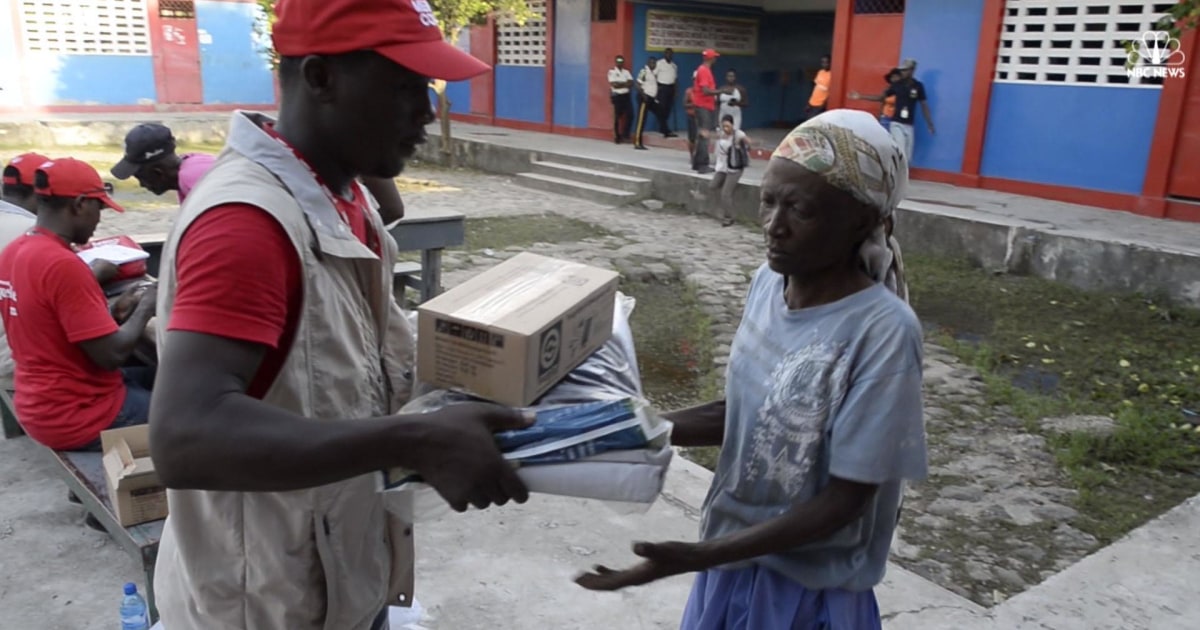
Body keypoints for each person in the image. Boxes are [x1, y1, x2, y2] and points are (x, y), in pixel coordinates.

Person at [145, 0, 534, 628]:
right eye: (406, 87)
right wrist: (414, 439)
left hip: (338, 572)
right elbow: (186, 438)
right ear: (321, 78)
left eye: (428, 88)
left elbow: (346, 379)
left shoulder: (346, 199)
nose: (427, 112)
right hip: (265, 602)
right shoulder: (246, 226)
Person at [575, 109, 926, 630]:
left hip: (807, 590)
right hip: (732, 563)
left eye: (799, 209)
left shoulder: (883, 331)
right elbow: (744, 412)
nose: (773, 226)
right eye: (768, 200)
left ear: (860, 220)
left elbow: (846, 499)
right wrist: (619, 430)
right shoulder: (769, 282)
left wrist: (701, 555)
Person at [0, 157, 158, 453]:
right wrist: (147, 305)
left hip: (40, 401)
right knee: (193, 415)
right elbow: (111, 356)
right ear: (80, 204)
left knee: (163, 379)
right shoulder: (62, 265)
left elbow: (57, 333)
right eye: (99, 209)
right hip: (79, 414)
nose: (99, 220)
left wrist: (116, 312)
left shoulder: (15, 251)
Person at [849, 59, 934, 162]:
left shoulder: (918, 86)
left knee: (908, 157)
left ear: (912, 70)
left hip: (909, 125)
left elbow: (923, 105)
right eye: (901, 70)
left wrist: (929, 123)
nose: (902, 72)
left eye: (905, 70)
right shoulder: (897, 85)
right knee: (900, 151)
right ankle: (895, 175)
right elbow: (881, 98)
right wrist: (860, 96)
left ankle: (901, 175)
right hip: (897, 123)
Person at [110, 123, 216, 204]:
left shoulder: (191, 178)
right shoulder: (195, 163)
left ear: (158, 172)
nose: (141, 184)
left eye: (140, 177)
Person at [709, 115, 750, 227]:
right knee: (713, 186)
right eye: (724, 126)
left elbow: (748, 142)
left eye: (728, 126)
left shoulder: (738, 134)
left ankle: (729, 217)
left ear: (732, 125)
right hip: (722, 167)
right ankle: (721, 208)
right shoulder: (721, 135)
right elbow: (713, 137)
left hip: (734, 167)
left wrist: (741, 147)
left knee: (726, 193)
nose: (726, 128)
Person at [691, 49, 722, 174]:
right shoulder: (704, 70)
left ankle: (697, 162)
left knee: (701, 134)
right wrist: (721, 91)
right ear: (710, 59)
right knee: (705, 135)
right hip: (703, 106)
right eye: (714, 57)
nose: (716, 60)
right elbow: (705, 90)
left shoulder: (704, 69)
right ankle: (703, 164)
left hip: (704, 105)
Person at [633, 57, 659, 151]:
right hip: (644, 98)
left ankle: (639, 142)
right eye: (651, 62)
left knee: (645, 119)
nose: (653, 64)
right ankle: (637, 143)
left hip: (650, 99)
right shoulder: (644, 71)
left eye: (654, 63)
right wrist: (644, 95)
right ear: (648, 63)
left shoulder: (653, 73)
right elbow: (637, 84)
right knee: (641, 121)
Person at [608, 55, 635, 144]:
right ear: (615, 62)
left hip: (626, 96)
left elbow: (631, 83)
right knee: (616, 117)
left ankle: (625, 134)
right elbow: (614, 85)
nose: (620, 62)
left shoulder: (626, 72)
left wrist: (620, 84)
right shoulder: (611, 72)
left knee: (630, 115)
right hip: (617, 96)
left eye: (621, 61)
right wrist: (624, 84)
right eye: (618, 61)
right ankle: (617, 136)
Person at [654, 47, 679, 137]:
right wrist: (656, 89)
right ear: (664, 54)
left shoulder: (674, 66)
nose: (669, 55)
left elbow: (675, 79)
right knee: (662, 109)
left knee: (668, 109)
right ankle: (665, 130)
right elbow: (654, 76)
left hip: (670, 88)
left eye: (670, 54)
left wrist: (676, 91)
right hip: (662, 88)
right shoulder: (659, 63)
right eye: (667, 53)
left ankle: (663, 127)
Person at [805, 55, 832, 120]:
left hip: (821, 105)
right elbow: (816, 88)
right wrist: (809, 103)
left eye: (827, 62)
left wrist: (824, 104)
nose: (824, 64)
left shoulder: (832, 74)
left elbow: (831, 92)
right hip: (812, 103)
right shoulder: (820, 72)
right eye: (823, 62)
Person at [683, 85, 698, 155]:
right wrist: (694, 104)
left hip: (702, 117)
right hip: (692, 116)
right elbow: (685, 104)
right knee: (692, 138)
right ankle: (692, 155)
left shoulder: (704, 91)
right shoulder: (689, 91)